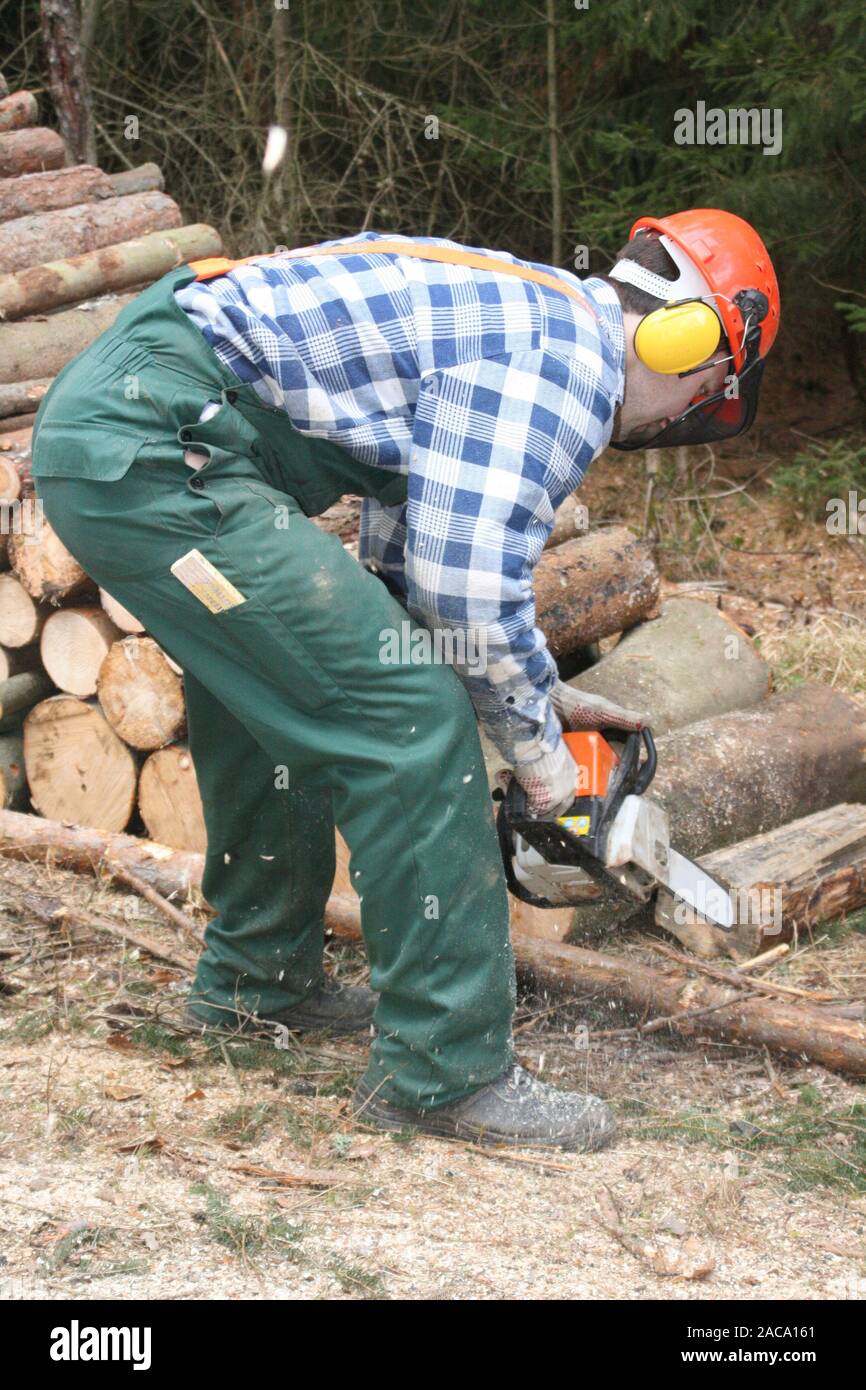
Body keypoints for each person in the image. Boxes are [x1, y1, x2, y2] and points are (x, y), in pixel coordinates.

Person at [31, 211, 779, 1150]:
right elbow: (466, 588)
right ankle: (442, 1073)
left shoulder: (529, 318)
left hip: (146, 428)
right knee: (409, 716)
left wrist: (539, 699)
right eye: (711, 386)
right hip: (157, 445)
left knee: (278, 695)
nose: (691, 410)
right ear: (695, 338)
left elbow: (411, 567)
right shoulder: (566, 367)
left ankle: (257, 988)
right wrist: (543, 763)